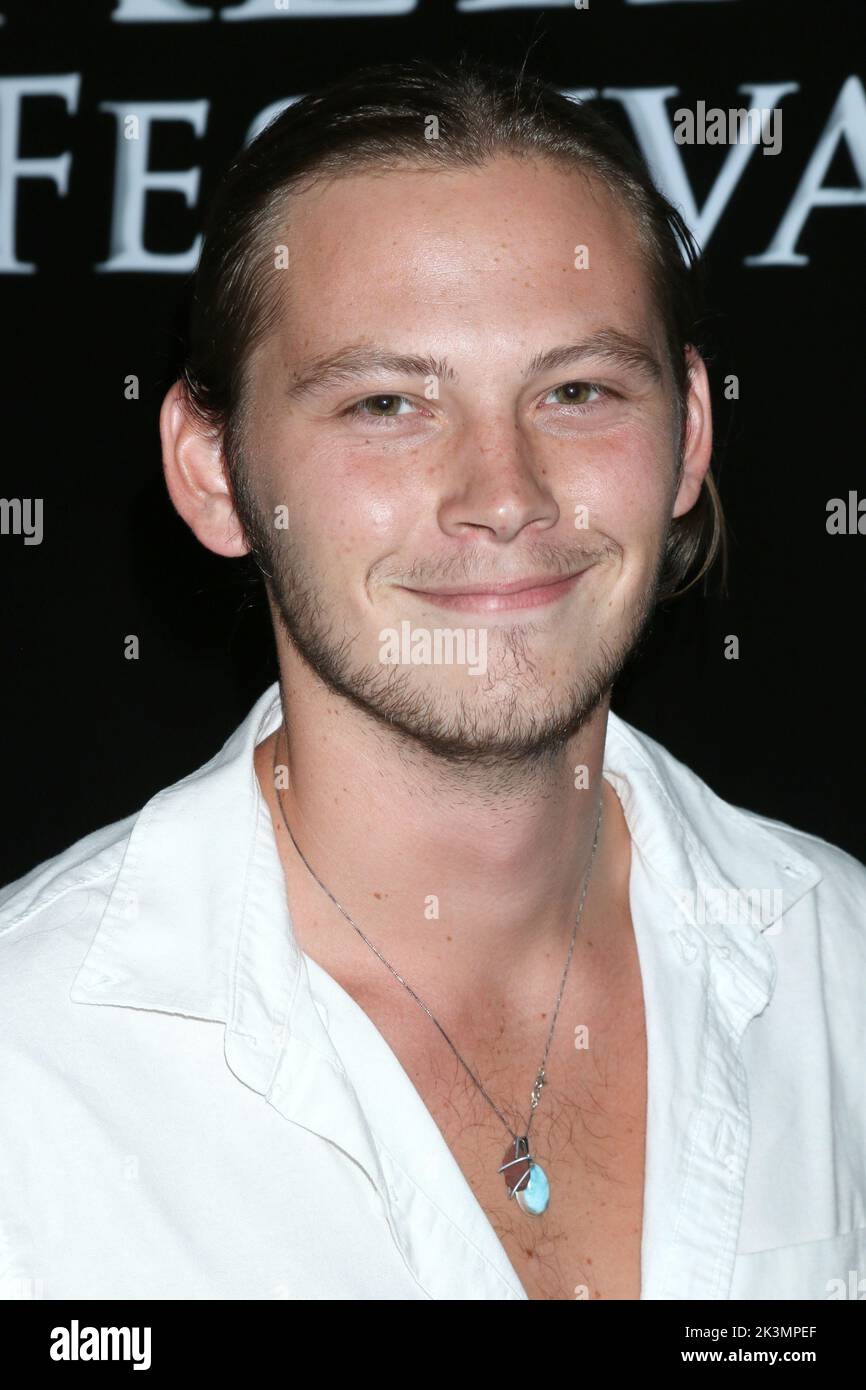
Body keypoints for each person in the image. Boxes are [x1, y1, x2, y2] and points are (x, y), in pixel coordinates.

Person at [1, 57, 864, 1304]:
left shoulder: (835, 968)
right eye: (387, 404)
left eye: (575, 391)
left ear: (686, 437)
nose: (503, 497)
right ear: (212, 473)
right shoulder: (34, 1072)